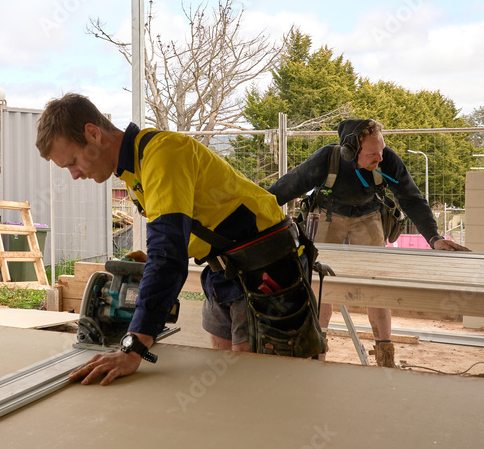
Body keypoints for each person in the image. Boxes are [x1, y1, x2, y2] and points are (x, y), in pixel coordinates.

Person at [35, 93, 323, 386]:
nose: (74, 174)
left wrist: (134, 347)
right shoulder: (134, 169)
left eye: (72, 162)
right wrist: (154, 260)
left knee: (261, 385)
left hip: (264, 268)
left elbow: (168, 257)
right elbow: (187, 231)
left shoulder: (162, 155)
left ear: (93, 134)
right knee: (225, 379)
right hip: (224, 269)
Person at [268, 118, 469, 367]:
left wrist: (434, 238)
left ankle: (385, 355)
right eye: (373, 153)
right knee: (319, 284)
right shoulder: (326, 159)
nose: (380, 157)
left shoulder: (388, 160)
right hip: (327, 214)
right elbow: (283, 189)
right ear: (350, 151)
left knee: (377, 283)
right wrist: (251, 214)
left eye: (381, 150)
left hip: (369, 215)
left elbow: (412, 199)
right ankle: (316, 351)